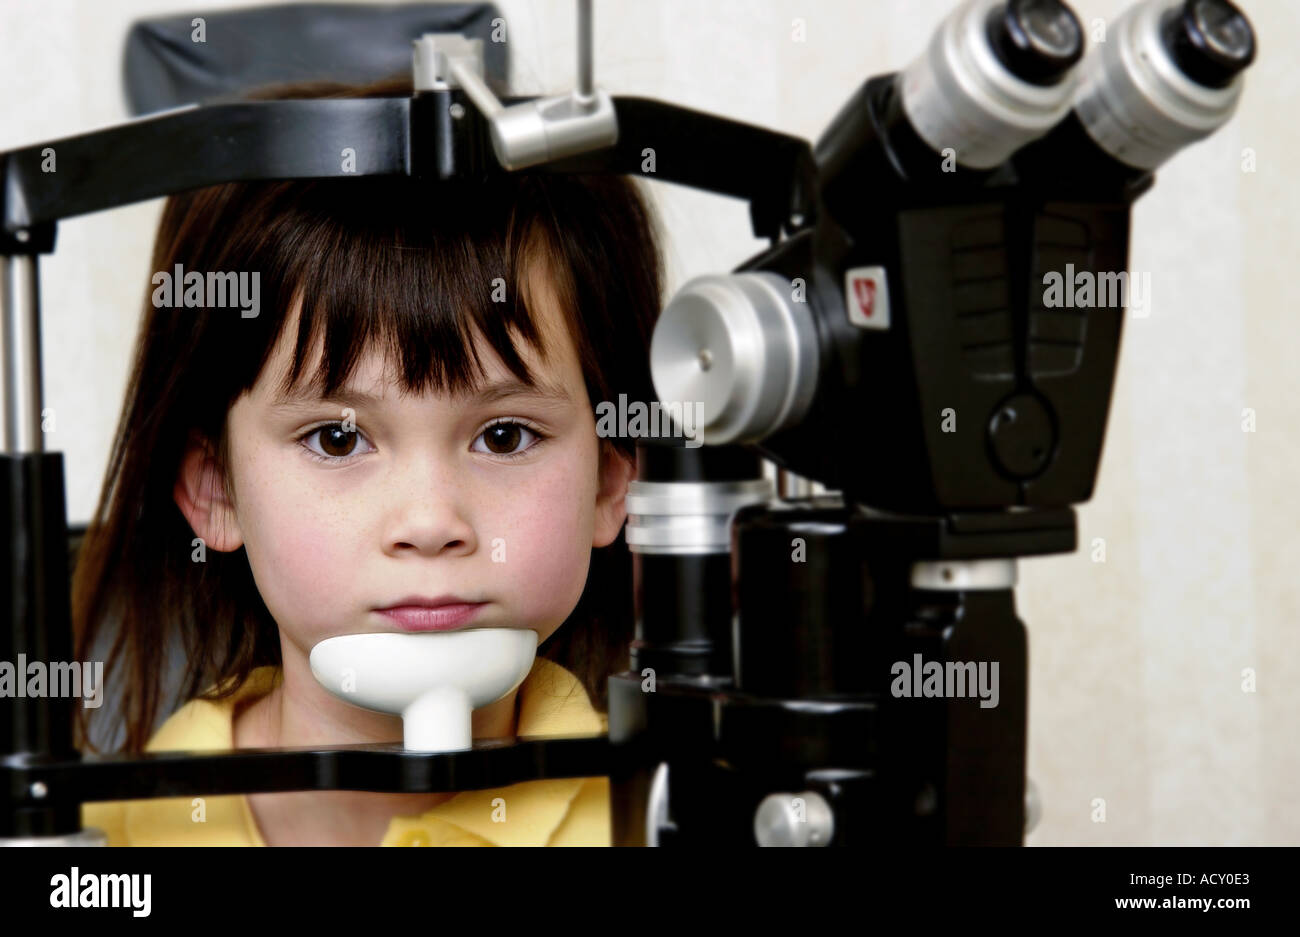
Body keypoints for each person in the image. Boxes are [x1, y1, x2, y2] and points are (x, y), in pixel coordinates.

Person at [72, 74, 665, 845]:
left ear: (611, 479)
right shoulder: (127, 824)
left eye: (505, 435)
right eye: (339, 438)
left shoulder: (651, 813)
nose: (429, 522)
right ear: (214, 487)